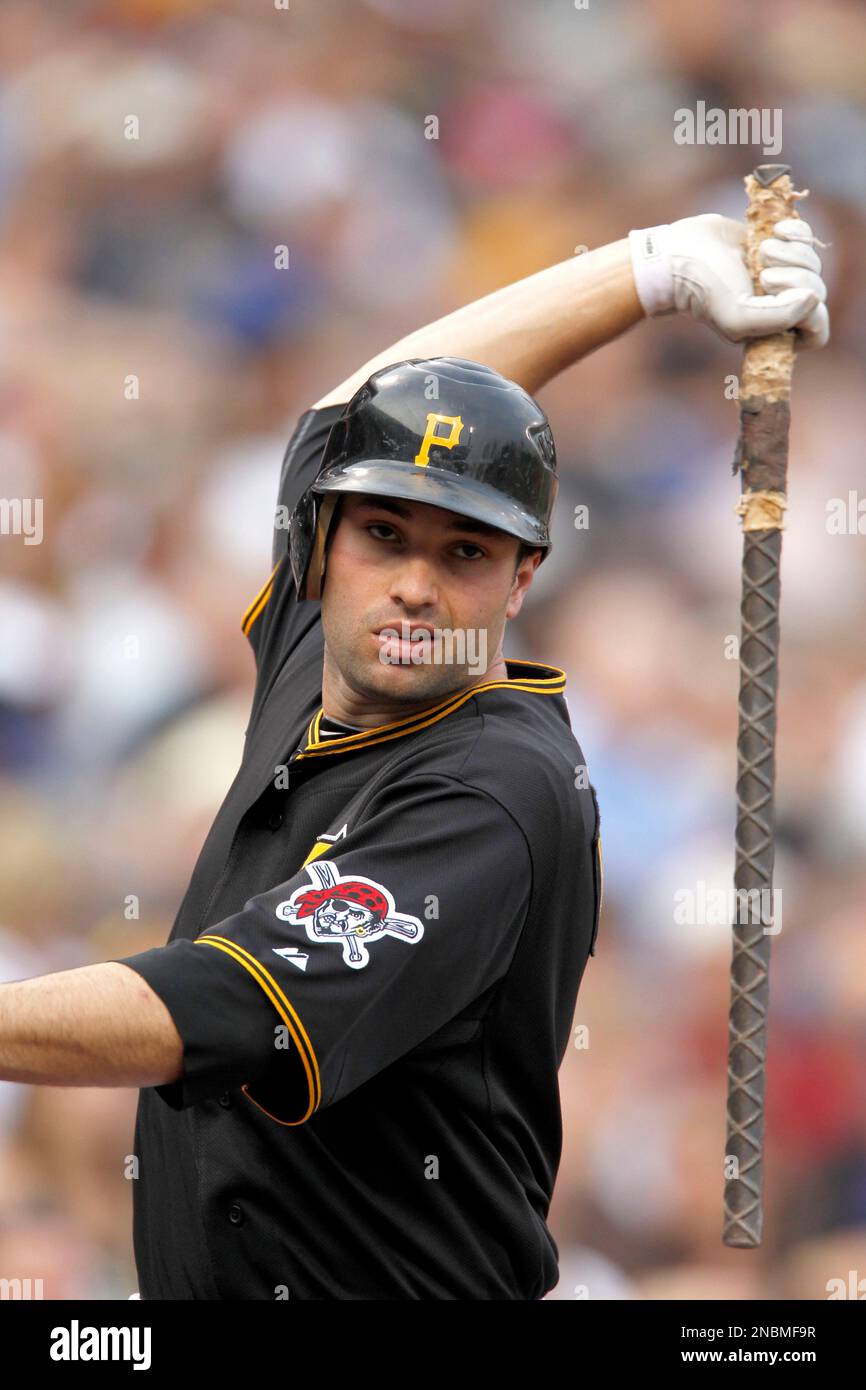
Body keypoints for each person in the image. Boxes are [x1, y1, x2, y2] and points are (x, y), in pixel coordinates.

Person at [0, 213, 828, 1299]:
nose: (416, 584)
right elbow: (362, 409)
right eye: (383, 533)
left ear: (520, 579)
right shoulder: (327, 654)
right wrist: (648, 270)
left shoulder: (501, 785)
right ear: (319, 545)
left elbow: (202, 1011)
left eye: (465, 551)